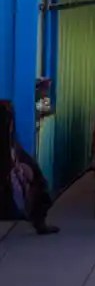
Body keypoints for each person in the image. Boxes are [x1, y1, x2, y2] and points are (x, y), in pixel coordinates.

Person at [1, 100, 58, 235]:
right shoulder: (11, 146)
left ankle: (39, 219)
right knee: (38, 180)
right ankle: (39, 221)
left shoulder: (13, 148)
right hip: (9, 199)